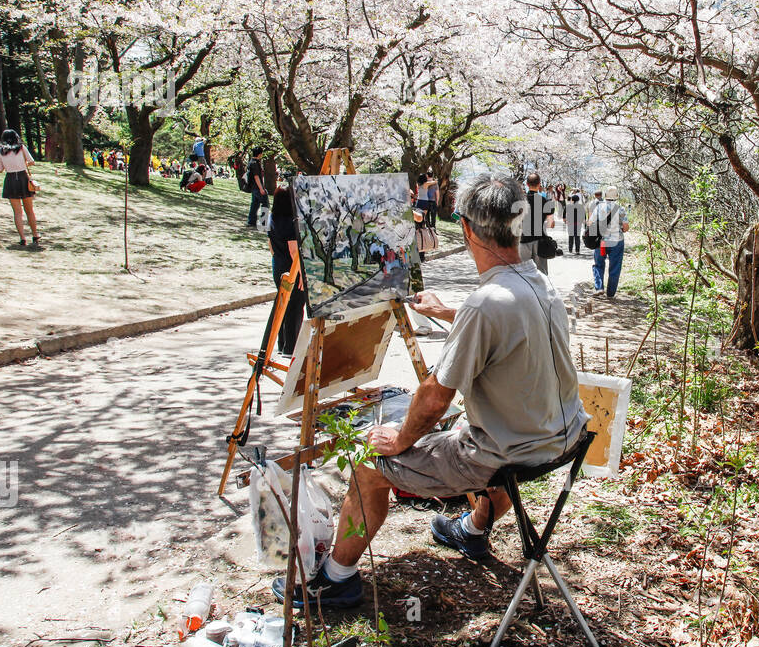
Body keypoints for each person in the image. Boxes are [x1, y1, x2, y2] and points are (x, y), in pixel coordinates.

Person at [272, 173, 590, 608]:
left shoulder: (485, 305)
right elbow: (508, 321)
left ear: (466, 228)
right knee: (465, 427)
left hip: (509, 454)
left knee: (368, 464)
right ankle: (472, 530)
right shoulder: (539, 283)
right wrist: (448, 311)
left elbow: (436, 396)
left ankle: (335, 580)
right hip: (564, 438)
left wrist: (399, 439)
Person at [267, 187, 306, 355]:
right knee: (296, 306)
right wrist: (302, 276)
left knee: (283, 304)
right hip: (292, 267)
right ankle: (291, 347)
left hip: (278, 264)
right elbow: (294, 250)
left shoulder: (271, 217)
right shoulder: (290, 221)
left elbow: (270, 245)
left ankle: (282, 344)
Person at [0, 129, 40, 246]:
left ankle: (22, 237)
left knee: (17, 212)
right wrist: (22, 163)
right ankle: (35, 235)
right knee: (29, 210)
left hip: (10, 179)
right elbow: (32, 161)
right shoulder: (21, 148)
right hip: (22, 177)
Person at [588, 185, 629, 299]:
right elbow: (625, 227)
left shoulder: (599, 208)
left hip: (602, 242)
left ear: (605, 196)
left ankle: (599, 287)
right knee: (615, 267)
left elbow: (590, 223)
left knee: (599, 264)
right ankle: (610, 294)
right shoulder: (621, 209)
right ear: (617, 196)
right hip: (617, 242)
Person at [518, 172, 556, 274]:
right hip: (540, 240)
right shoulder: (545, 201)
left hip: (523, 240)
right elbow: (550, 223)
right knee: (541, 273)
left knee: (524, 274)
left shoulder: (520, 201)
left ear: (527, 184)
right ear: (539, 185)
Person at [247, 147, 269, 228]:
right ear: (259, 154)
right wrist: (261, 188)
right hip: (257, 187)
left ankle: (251, 221)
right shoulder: (255, 163)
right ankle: (263, 223)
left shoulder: (251, 162)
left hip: (253, 187)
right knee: (265, 203)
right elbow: (256, 177)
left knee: (255, 204)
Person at [565, 189, 585, 254]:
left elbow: (565, 213)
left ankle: (570, 250)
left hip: (570, 223)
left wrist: (565, 220)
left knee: (571, 236)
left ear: (572, 200)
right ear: (578, 200)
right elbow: (583, 214)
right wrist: (583, 221)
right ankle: (577, 250)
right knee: (577, 237)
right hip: (578, 223)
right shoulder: (581, 206)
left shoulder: (568, 206)